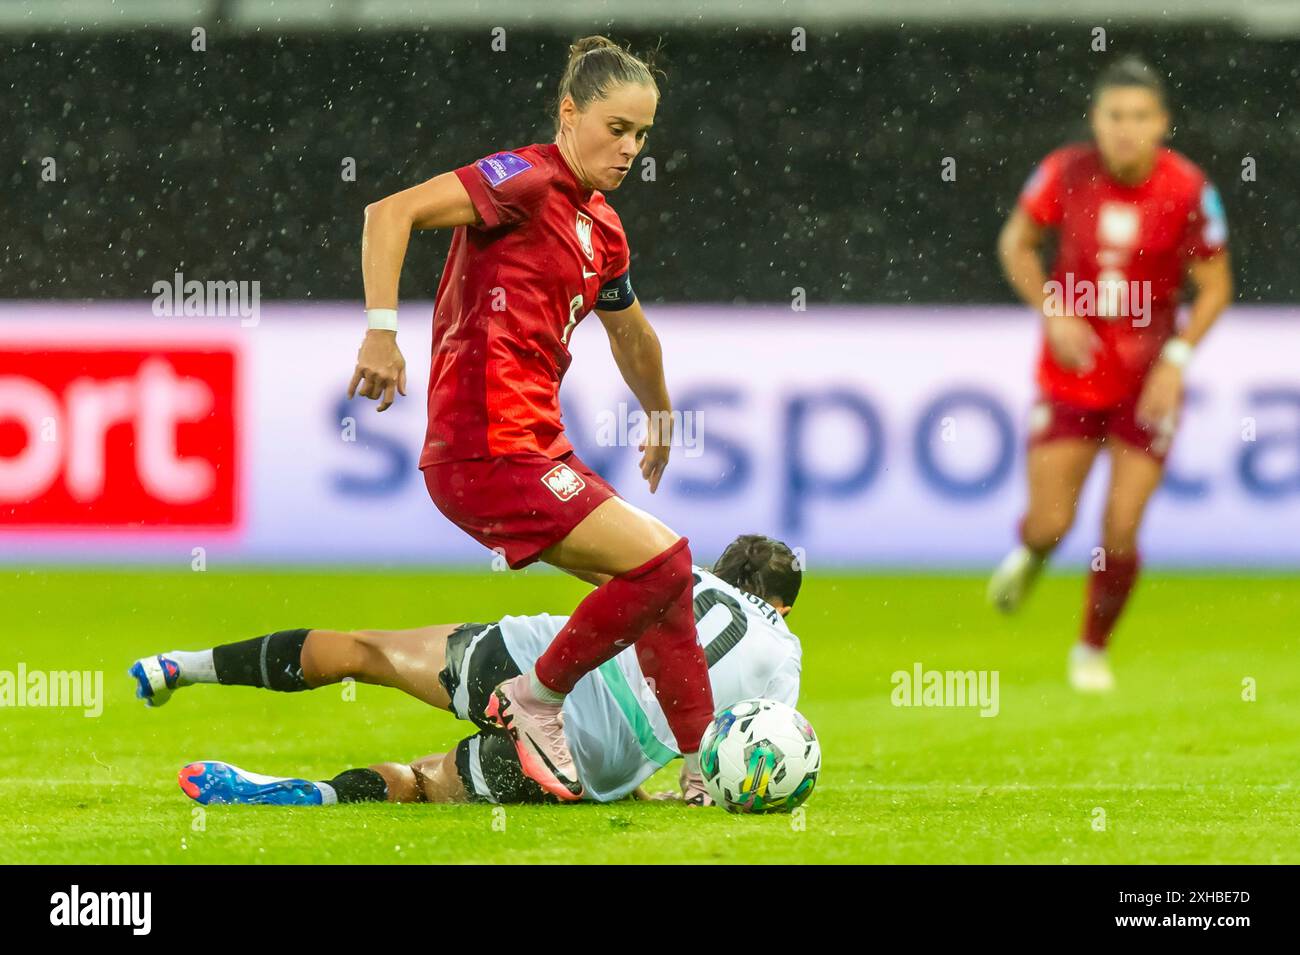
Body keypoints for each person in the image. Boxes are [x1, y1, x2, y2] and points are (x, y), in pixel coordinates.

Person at [347, 35, 714, 800]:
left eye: (643, 135)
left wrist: (660, 411)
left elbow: (632, 331)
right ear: (570, 112)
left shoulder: (601, 226)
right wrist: (381, 329)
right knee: (664, 563)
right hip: (487, 449)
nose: (631, 149)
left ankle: (697, 765)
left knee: (662, 584)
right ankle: (534, 697)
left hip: (535, 446)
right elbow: (391, 212)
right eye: (616, 129)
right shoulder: (524, 179)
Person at [129, 536, 803, 808]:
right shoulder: (785, 652)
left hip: (535, 667)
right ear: (780, 602)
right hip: (596, 759)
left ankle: (183, 667)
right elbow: (732, 737)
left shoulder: (676, 570)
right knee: (424, 783)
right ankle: (319, 794)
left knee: (367, 652)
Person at [988, 57, 1233, 691]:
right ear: (1096, 121)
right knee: (1050, 524)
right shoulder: (1063, 172)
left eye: (1140, 117)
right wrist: (1052, 312)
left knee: (1120, 525)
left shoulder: (1187, 189)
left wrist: (1177, 358)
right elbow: (1015, 242)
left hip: (1147, 380)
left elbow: (1215, 286)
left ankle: (1091, 650)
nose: (1126, 129)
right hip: (1071, 374)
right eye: (1114, 116)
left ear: (1162, 124)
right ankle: (1034, 551)